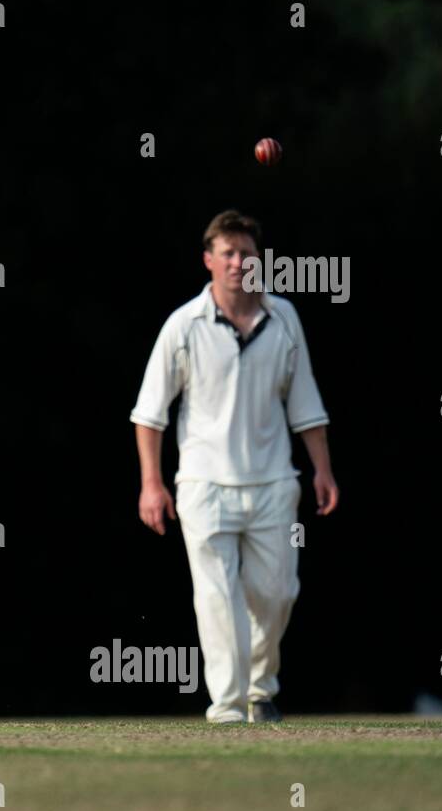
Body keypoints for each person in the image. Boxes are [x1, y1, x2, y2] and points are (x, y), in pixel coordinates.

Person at [130, 211, 338, 724]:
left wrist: (323, 471)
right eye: (227, 253)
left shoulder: (284, 318)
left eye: (246, 253)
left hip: (272, 482)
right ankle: (227, 709)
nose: (238, 262)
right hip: (203, 484)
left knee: (277, 593)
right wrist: (151, 484)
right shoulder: (184, 326)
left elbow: (305, 401)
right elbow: (149, 412)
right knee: (218, 597)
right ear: (208, 261)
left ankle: (259, 689)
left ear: (258, 259)